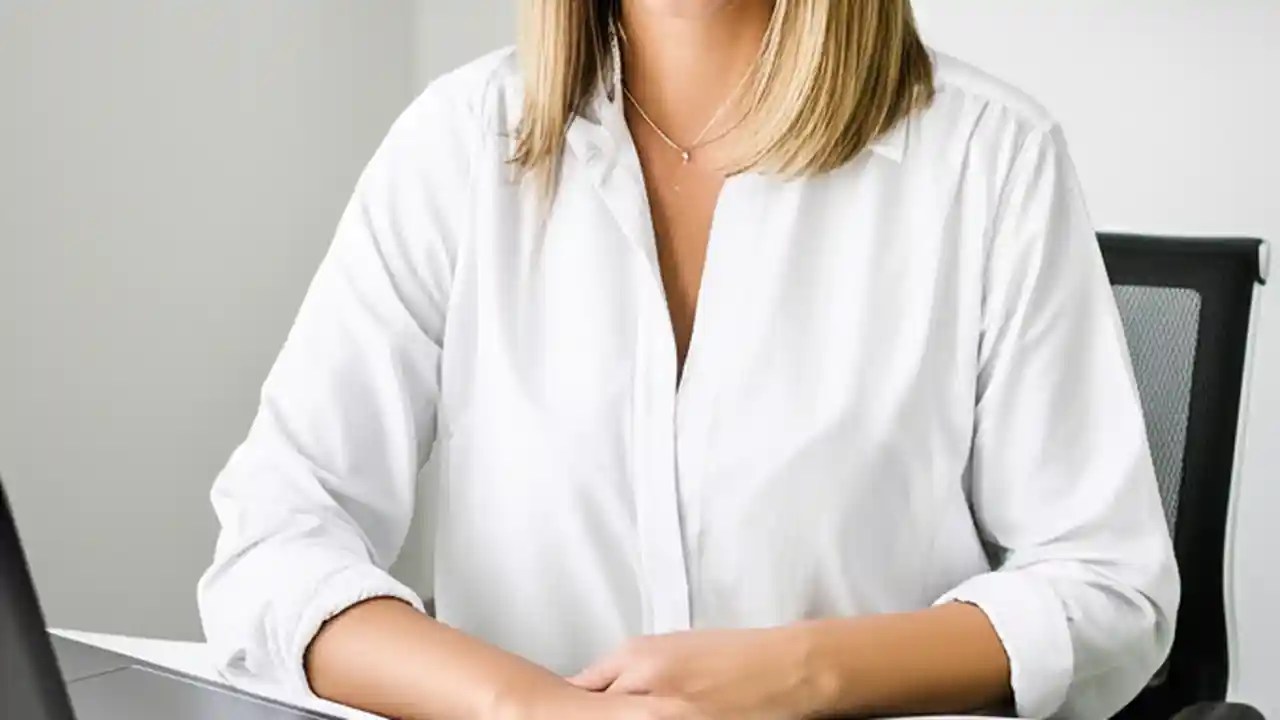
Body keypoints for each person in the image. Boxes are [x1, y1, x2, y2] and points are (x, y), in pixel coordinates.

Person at [197, 1, 1179, 718]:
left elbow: (1106, 587)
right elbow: (272, 548)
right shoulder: (453, 149)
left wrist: (804, 673)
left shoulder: (990, 157)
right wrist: (530, 709)